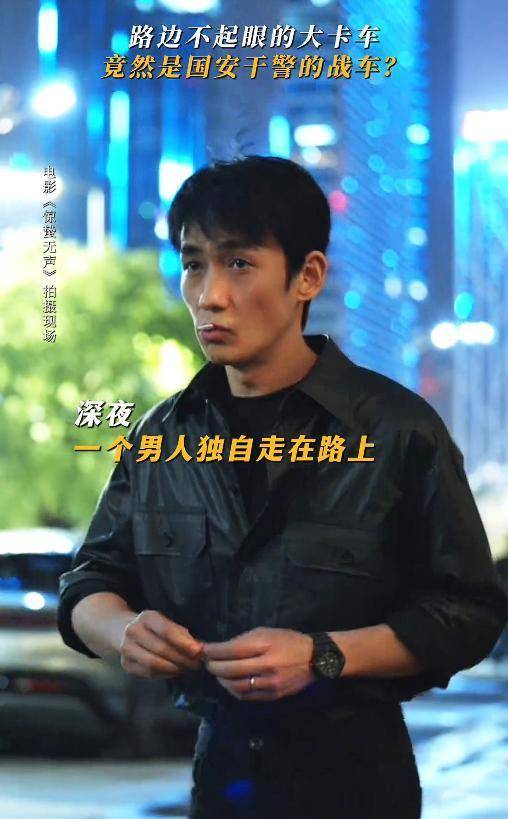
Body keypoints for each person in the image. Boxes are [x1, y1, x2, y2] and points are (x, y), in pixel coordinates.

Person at [58, 155, 507, 819]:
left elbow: (470, 609)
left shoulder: (396, 430)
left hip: (356, 785)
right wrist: (123, 629)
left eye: (239, 263)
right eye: (193, 264)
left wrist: (325, 656)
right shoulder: (163, 435)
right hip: (219, 781)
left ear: (308, 276)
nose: (209, 295)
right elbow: (89, 580)